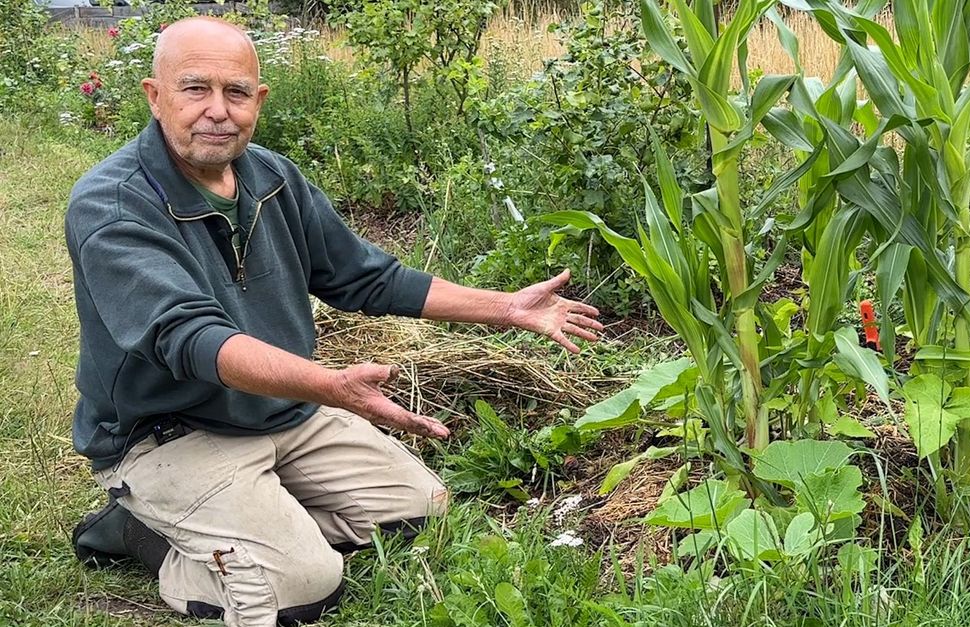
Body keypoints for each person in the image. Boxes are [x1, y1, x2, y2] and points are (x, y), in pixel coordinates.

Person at [66, 16, 603, 625]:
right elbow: (188, 338)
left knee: (419, 508)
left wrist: (504, 306)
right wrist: (330, 387)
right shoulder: (114, 204)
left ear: (259, 100)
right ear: (154, 95)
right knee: (302, 585)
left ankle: (255, 517)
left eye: (236, 92)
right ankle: (144, 533)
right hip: (169, 431)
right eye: (195, 89)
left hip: (279, 412)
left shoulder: (272, 179)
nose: (218, 110)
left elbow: (363, 276)